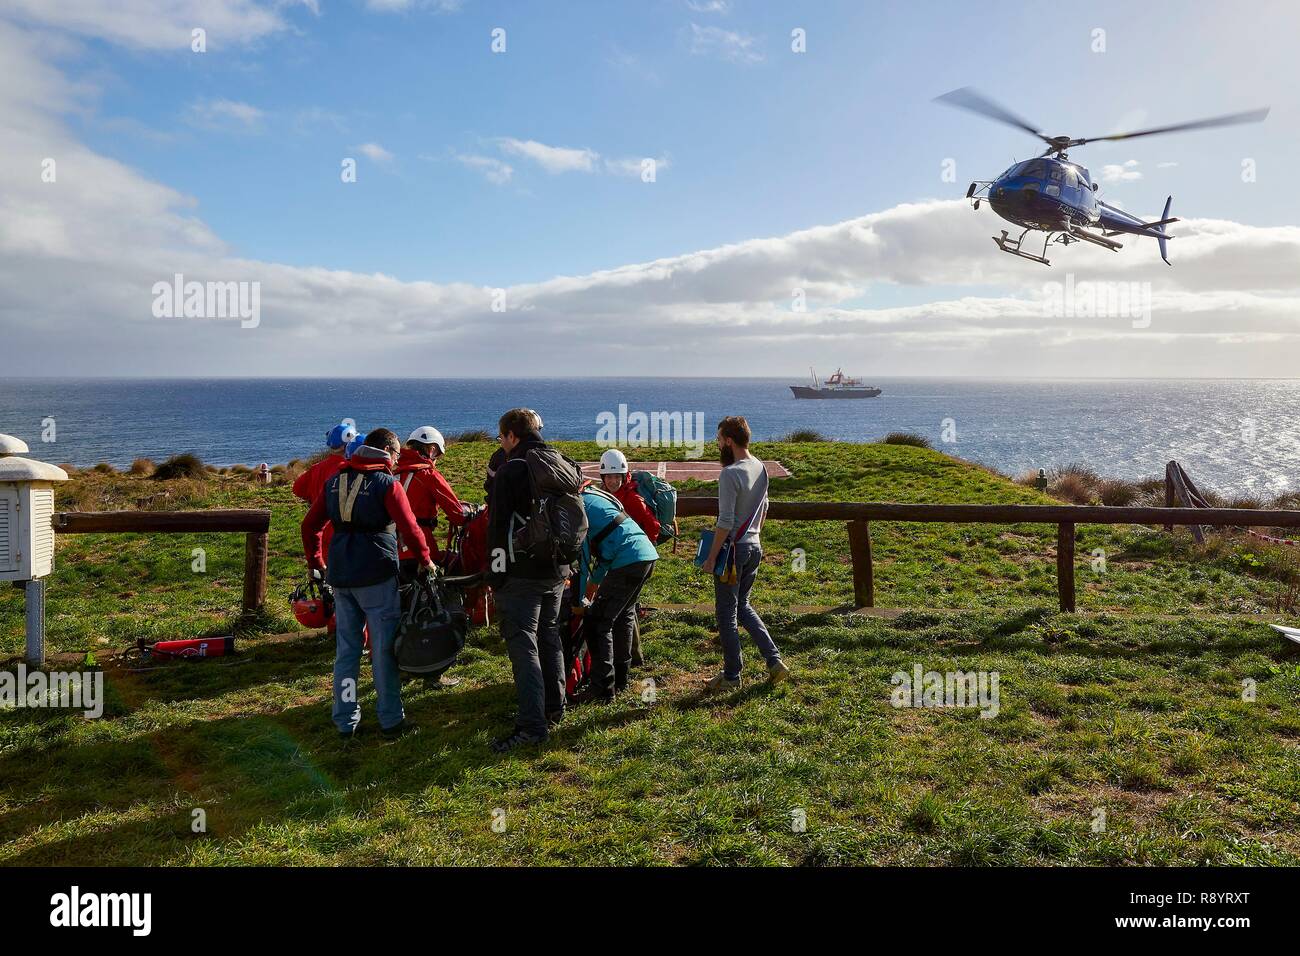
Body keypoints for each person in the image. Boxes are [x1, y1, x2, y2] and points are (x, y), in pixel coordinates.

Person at [301, 428, 435, 740]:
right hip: (376, 573)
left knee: (347, 651)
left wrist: (315, 562)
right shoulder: (386, 483)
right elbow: (410, 528)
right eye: (398, 453)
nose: (399, 458)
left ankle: (345, 720)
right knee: (383, 650)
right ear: (387, 451)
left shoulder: (335, 480)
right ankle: (390, 719)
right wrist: (425, 559)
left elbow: (310, 525)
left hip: (341, 573)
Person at [486, 408, 571, 752]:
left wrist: (495, 572)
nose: (501, 444)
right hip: (557, 567)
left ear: (511, 436)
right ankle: (555, 707)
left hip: (521, 570)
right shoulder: (559, 460)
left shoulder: (512, 470)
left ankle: (532, 726)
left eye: (500, 437)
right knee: (549, 638)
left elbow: (497, 527)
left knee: (524, 647)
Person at [700, 416, 790, 692]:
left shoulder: (730, 473)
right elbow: (764, 509)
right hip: (754, 546)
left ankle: (731, 675)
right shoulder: (760, 467)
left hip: (733, 553)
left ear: (729, 440)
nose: (717, 446)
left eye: (718, 440)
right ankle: (774, 661)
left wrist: (712, 557)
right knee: (743, 606)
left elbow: (725, 521)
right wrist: (754, 536)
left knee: (726, 613)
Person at [572, 482, 658, 704]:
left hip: (627, 560)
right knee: (623, 615)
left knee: (597, 622)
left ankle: (602, 687)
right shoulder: (595, 496)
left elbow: (583, 561)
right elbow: (606, 547)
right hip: (645, 554)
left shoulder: (574, 508)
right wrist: (594, 583)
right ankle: (621, 676)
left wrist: (579, 600)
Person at [596, 448, 659, 666]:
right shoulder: (605, 495)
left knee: (623, 608)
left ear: (624, 476)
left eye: (617, 477)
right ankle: (632, 656)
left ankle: (628, 657)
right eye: (609, 477)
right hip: (617, 560)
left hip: (630, 561)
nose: (613, 481)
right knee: (626, 607)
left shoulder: (632, 499)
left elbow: (652, 526)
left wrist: (640, 552)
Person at [394, 426, 467, 573]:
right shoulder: (429, 475)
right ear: (432, 449)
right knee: (461, 565)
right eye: (438, 455)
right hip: (420, 546)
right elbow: (458, 515)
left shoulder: (393, 472)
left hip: (390, 547)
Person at [294, 421, 357, 566]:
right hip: (342, 534)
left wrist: (312, 497)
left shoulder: (316, 468)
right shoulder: (348, 470)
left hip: (319, 534)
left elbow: (297, 488)